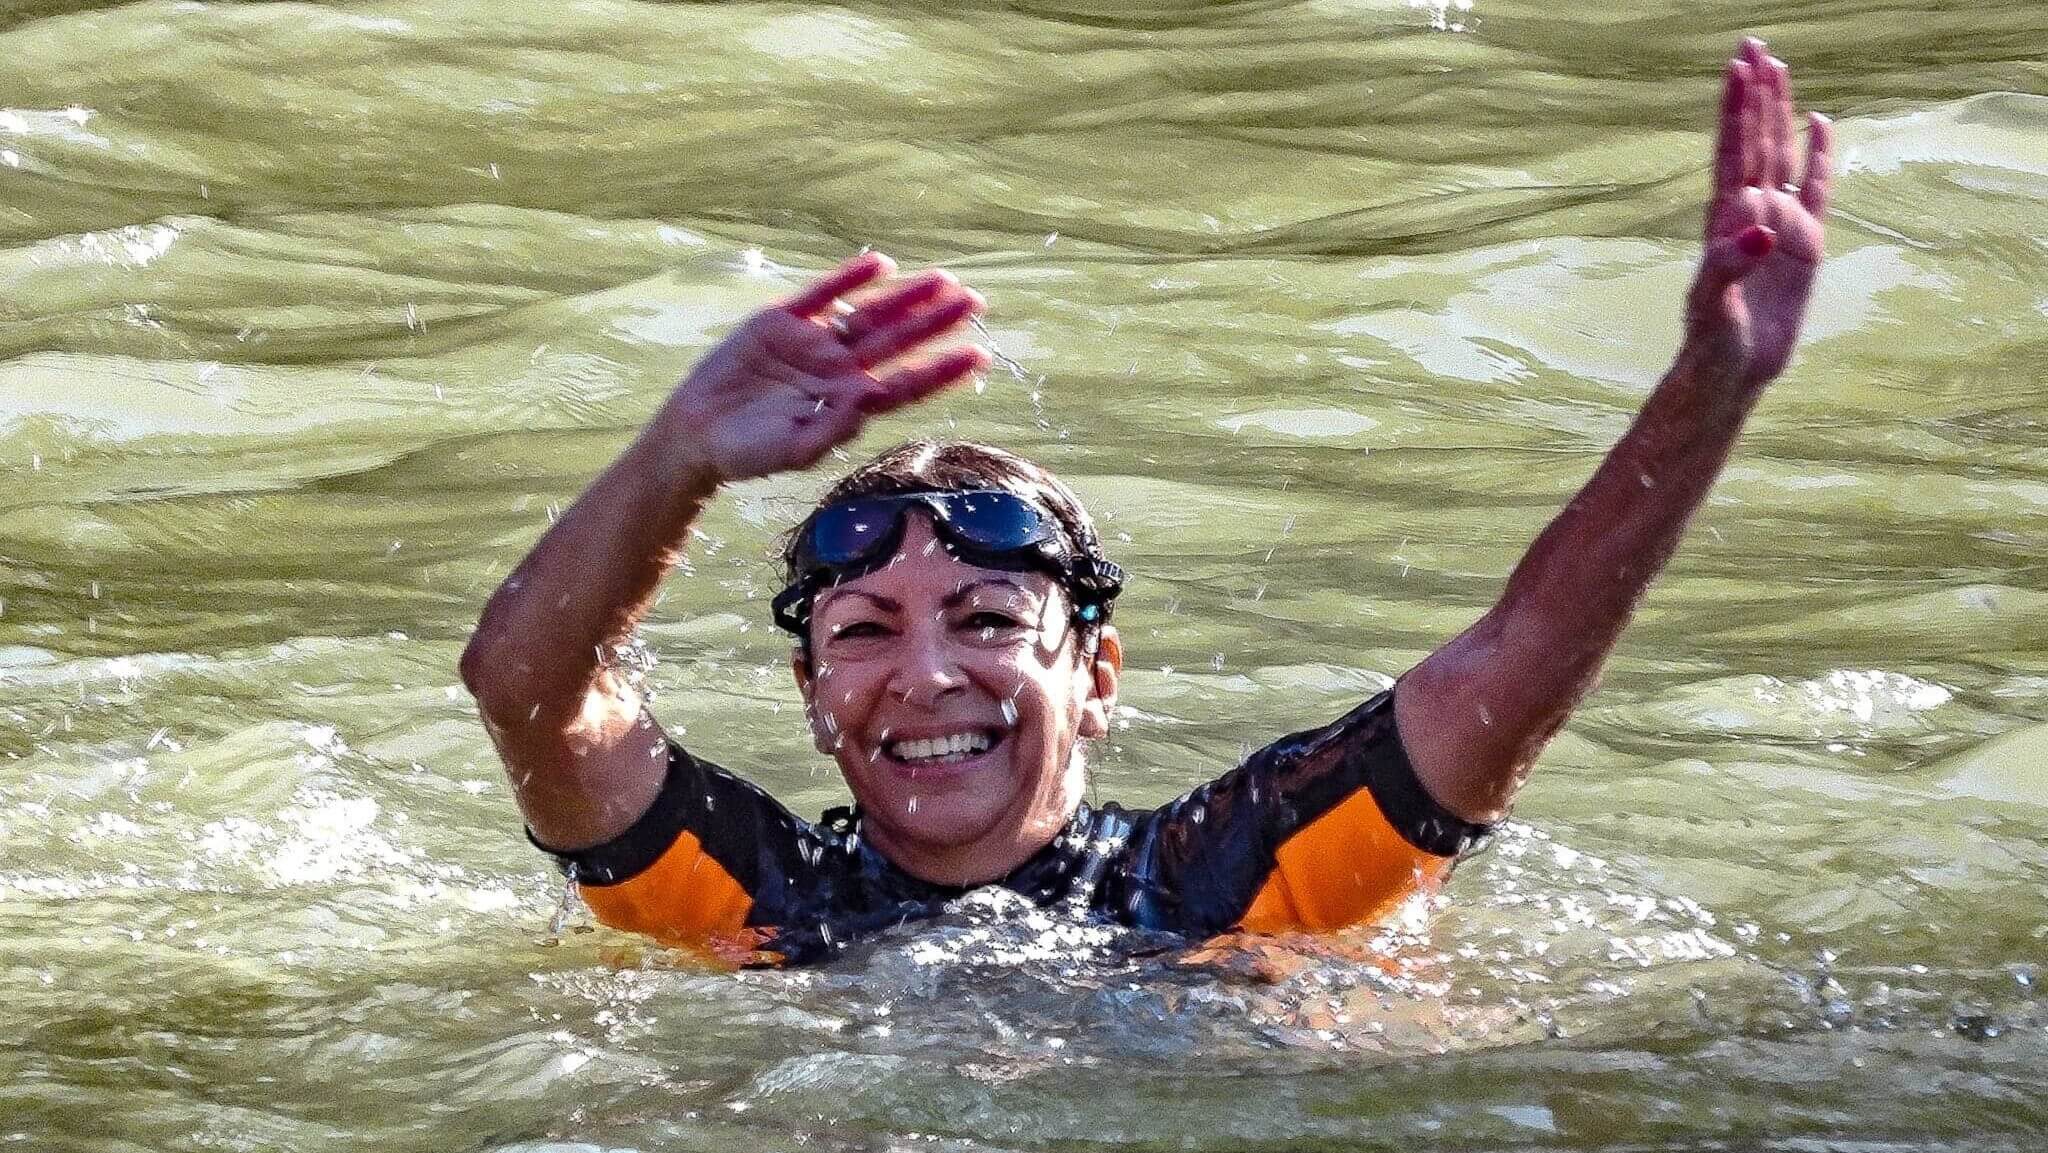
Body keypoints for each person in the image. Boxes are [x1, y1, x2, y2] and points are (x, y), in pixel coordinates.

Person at [460, 39, 1832, 967]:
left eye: (990, 617)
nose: (928, 673)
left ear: (1098, 672)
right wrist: (679, 452)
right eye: (865, 630)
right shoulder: (762, 899)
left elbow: (1520, 659)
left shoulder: (1217, 882)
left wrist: (1715, 379)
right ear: (813, 693)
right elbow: (525, 684)